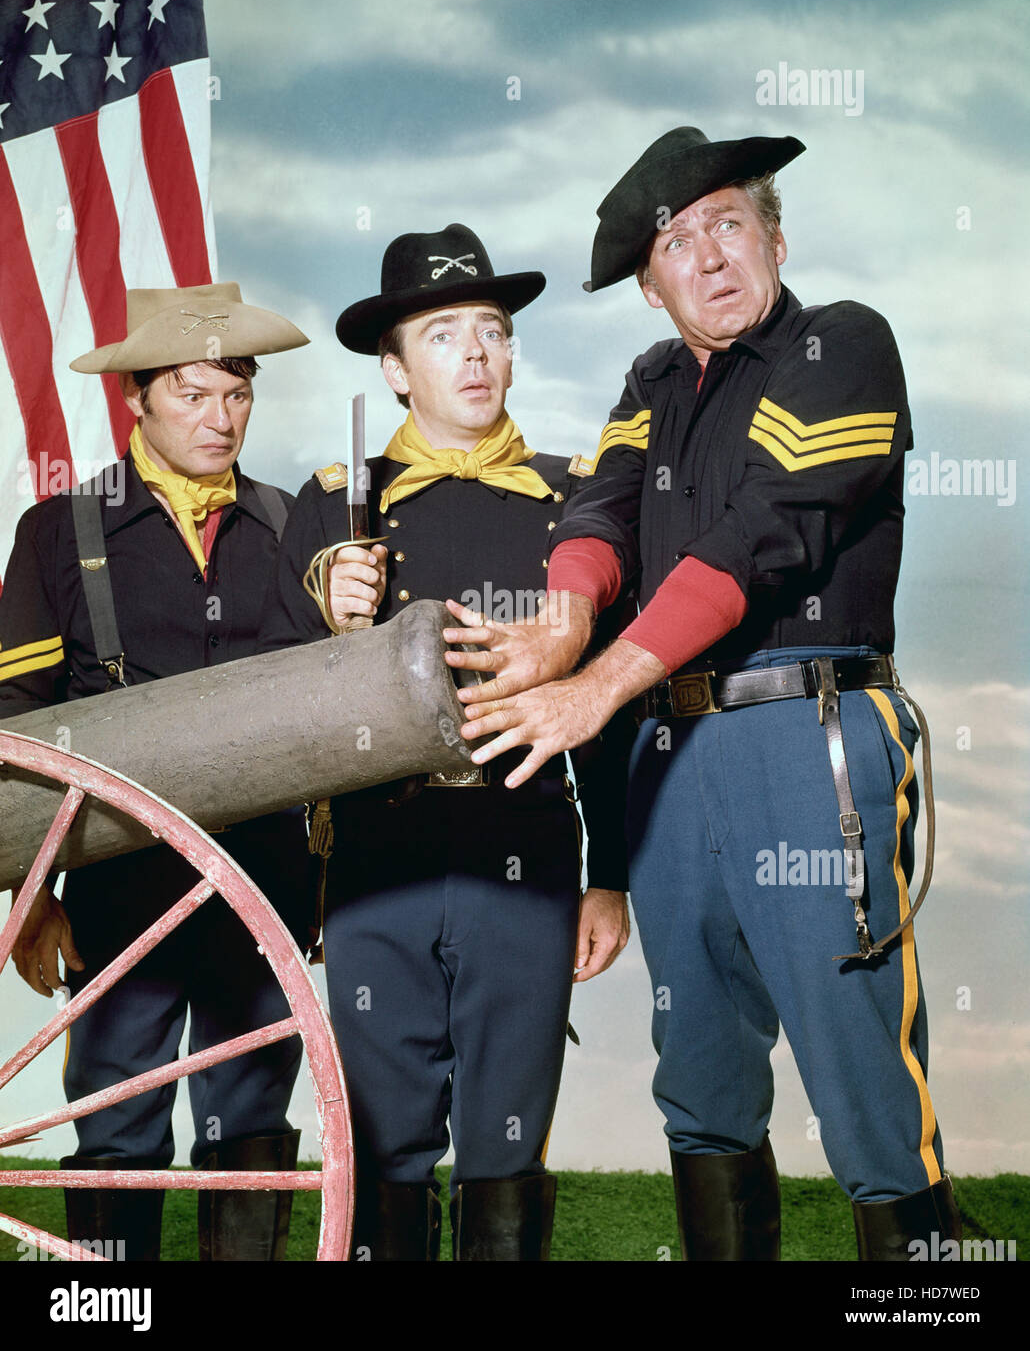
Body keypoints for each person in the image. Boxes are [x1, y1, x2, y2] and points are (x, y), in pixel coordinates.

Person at [447, 129, 961, 1261]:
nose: (711, 256)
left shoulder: (842, 342)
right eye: (677, 243)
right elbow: (598, 514)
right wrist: (569, 622)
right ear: (649, 285)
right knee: (703, 1075)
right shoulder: (647, 385)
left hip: (804, 730)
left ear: (774, 234)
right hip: (669, 758)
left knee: (859, 1067)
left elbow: (761, 533)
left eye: (729, 222)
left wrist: (600, 682)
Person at [261, 224, 630, 1261]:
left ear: (512, 353)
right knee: (384, 1139)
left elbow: (608, 706)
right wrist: (323, 614)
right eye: (442, 333)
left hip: (524, 852)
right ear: (393, 367)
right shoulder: (330, 502)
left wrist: (614, 874)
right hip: (377, 861)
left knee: (507, 1136)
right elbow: (274, 707)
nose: (474, 353)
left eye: (492, 330)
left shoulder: (577, 500)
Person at [0, 282, 313, 1261]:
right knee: (116, 1123)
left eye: (237, 394)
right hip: (114, 888)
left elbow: (323, 721)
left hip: (260, 876)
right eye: (191, 395)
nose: (219, 419)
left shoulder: (291, 525)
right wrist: (30, 892)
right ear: (136, 396)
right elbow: (17, 727)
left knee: (251, 1118)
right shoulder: (60, 532)